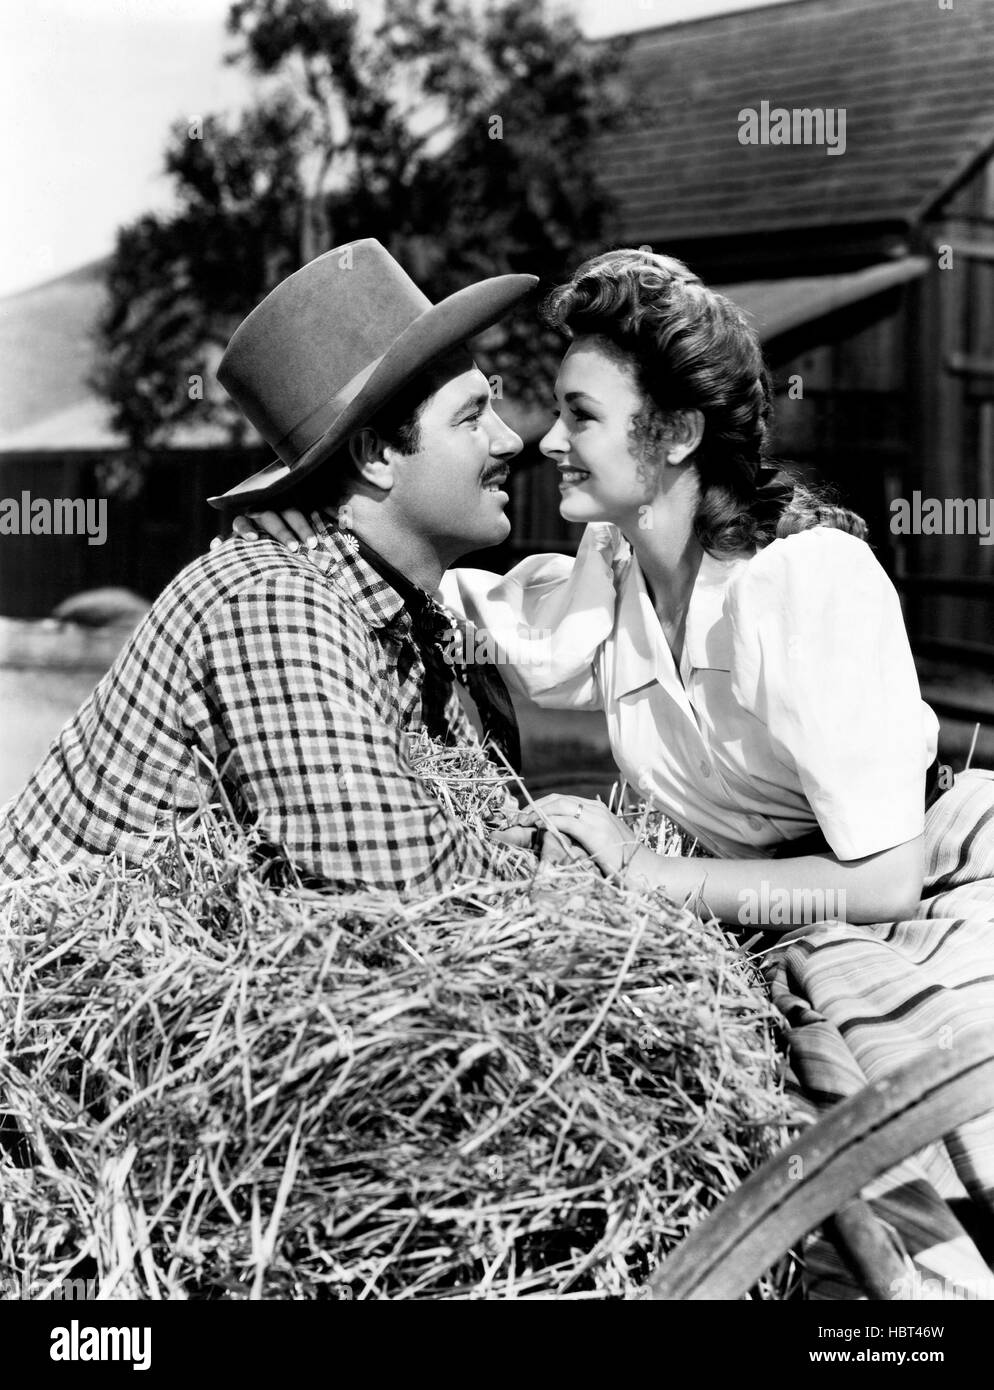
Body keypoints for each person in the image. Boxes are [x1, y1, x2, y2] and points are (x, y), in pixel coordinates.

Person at [238, 247, 994, 1298]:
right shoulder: (610, 584)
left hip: (925, 895)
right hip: (777, 921)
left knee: (927, 1168)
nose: (546, 440)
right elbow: (441, 590)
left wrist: (644, 873)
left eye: (581, 415)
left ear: (677, 433)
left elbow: (882, 880)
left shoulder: (805, 584)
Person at [0, 239, 539, 892]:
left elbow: (483, 810)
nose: (510, 440)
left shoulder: (404, 619)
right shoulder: (275, 599)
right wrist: (551, 870)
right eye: (473, 417)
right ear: (374, 457)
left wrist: (531, 831)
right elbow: (390, 870)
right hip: (68, 977)